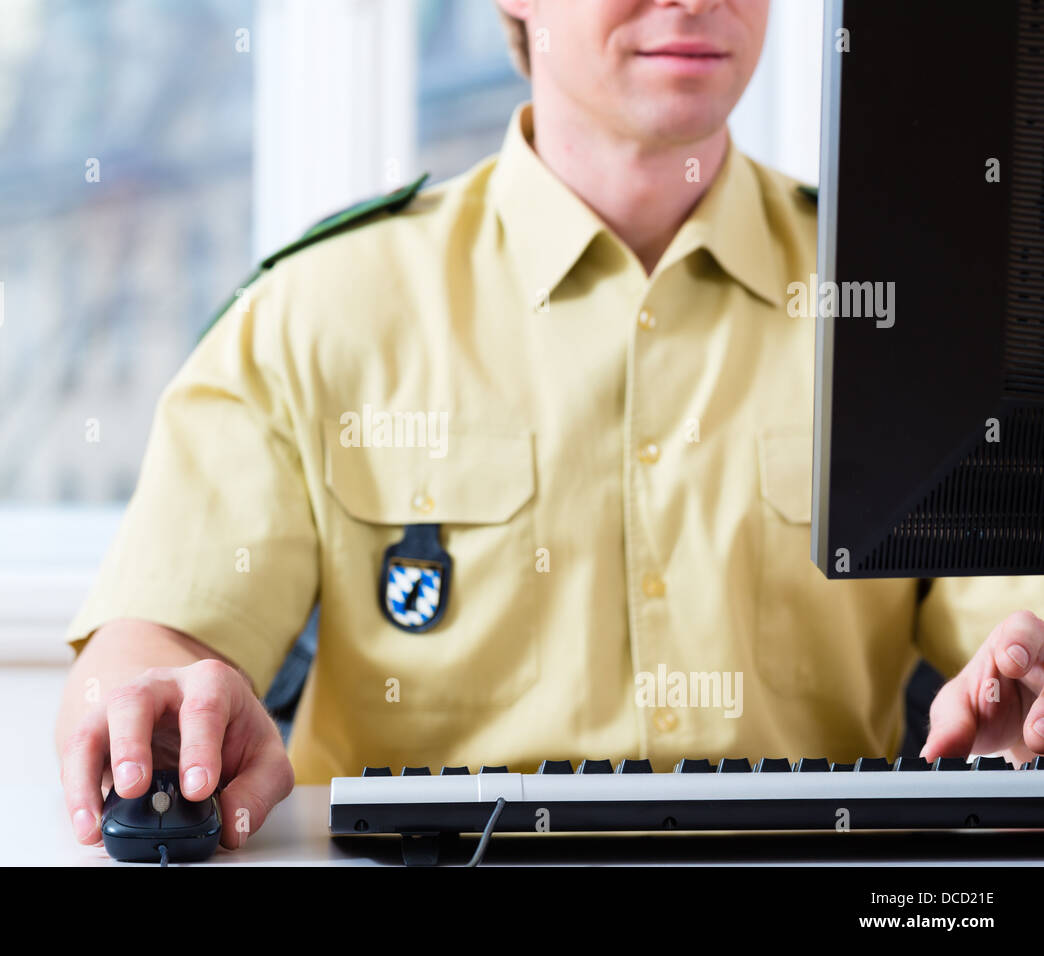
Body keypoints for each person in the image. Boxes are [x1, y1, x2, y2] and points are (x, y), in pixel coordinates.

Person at [55, 0, 1044, 851]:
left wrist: (1028, 683)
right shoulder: (315, 313)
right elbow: (156, 640)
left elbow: (1020, 620)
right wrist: (164, 706)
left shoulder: (910, 307)